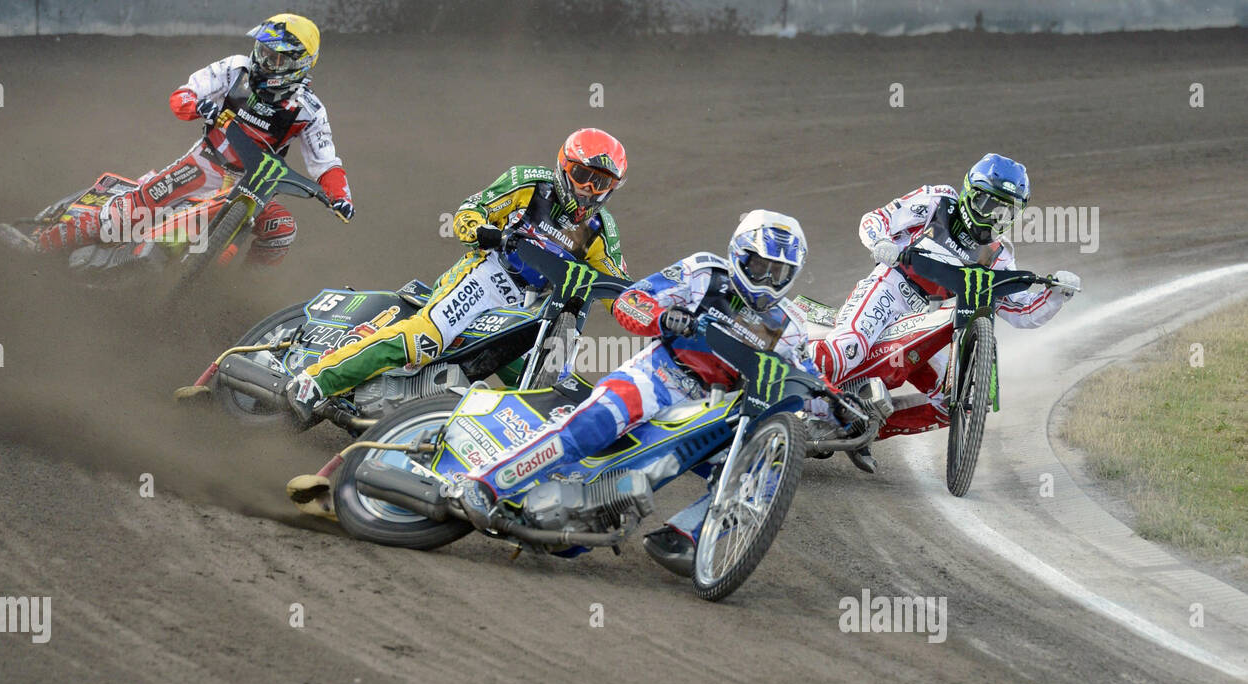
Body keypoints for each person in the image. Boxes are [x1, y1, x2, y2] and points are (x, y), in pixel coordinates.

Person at [453, 210, 860, 577]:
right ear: (739, 254)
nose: (768, 279)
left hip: (715, 408)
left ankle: (686, 536)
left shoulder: (788, 327)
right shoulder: (705, 272)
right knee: (594, 425)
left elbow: (804, 378)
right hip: (660, 373)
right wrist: (664, 315)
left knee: (763, 476)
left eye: (780, 272)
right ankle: (488, 484)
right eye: (760, 266)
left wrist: (841, 407)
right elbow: (632, 300)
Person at [285, 128, 630, 420]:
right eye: (583, 176)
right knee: (424, 339)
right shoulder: (529, 183)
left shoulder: (602, 230)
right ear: (563, 167)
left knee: (543, 388)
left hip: (531, 311)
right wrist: (484, 230)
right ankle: (315, 381)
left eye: (602, 182)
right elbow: (471, 209)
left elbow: (616, 288)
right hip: (486, 275)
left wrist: (645, 309)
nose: (590, 189)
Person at [807, 154, 1081, 472]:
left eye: (1006, 210)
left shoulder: (1000, 255)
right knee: (847, 348)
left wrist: (1057, 295)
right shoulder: (939, 200)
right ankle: (786, 391)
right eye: (987, 203)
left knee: (951, 403)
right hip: (890, 288)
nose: (994, 216)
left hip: (933, 319)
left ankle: (860, 428)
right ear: (969, 193)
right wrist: (880, 242)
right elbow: (876, 218)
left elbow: (1021, 311)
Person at [28, 13, 353, 264]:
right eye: (264, 51)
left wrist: (341, 197)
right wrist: (199, 106)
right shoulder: (235, 68)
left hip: (256, 185)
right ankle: (41, 246)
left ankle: (245, 287)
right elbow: (182, 94)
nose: (266, 61)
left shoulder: (309, 110)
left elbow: (326, 164)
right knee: (126, 215)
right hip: (204, 165)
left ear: (300, 63)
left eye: (277, 58)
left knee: (281, 230)